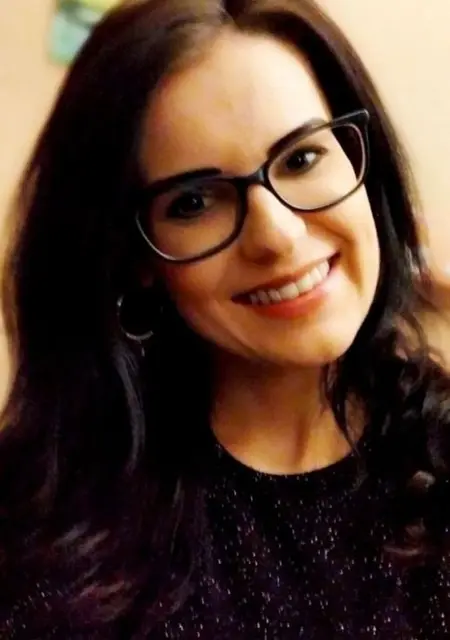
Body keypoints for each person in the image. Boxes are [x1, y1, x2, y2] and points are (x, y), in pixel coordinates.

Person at [0, 0, 449, 637]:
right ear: (134, 258)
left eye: (302, 158)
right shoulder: (40, 529)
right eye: (193, 202)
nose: (278, 236)